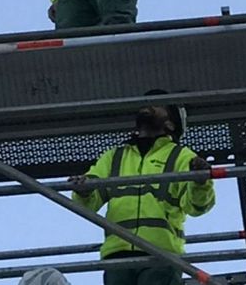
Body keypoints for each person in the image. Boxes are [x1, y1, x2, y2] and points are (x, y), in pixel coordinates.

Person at [67, 101, 216, 285]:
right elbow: (87, 205)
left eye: (158, 105)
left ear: (170, 124)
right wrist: (84, 191)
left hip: (160, 255)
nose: (148, 106)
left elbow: (197, 207)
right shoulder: (115, 156)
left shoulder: (181, 156)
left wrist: (201, 183)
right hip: (118, 255)